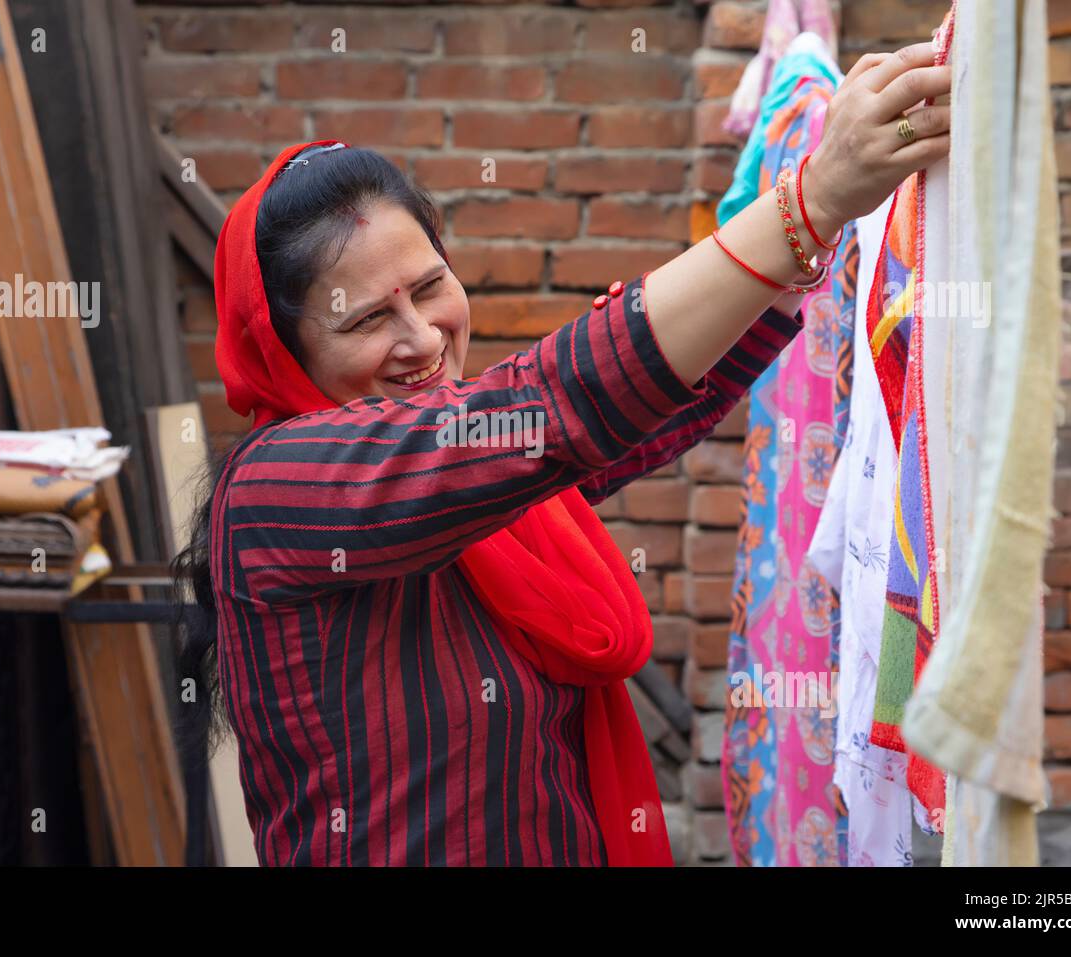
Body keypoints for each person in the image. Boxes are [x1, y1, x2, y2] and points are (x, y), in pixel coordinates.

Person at [175, 42, 951, 866]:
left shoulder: (491, 493)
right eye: (368, 319)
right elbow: (549, 409)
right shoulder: (276, 491)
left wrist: (807, 241)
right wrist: (810, 200)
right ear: (286, 353)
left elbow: (639, 407)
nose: (422, 337)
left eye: (431, 286)